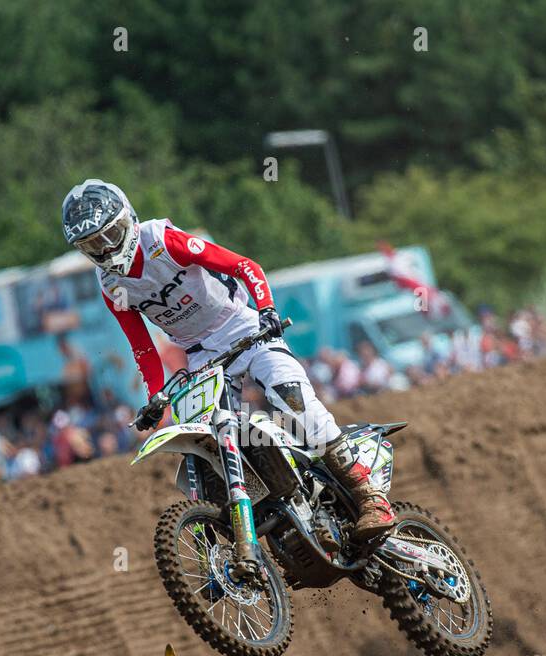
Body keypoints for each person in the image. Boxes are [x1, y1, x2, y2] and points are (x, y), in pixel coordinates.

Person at [61, 179, 394, 541]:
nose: (106, 250)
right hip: (200, 354)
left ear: (128, 220)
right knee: (208, 442)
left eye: (110, 236)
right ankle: (269, 523)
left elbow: (245, 266)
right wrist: (156, 395)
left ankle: (369, 496)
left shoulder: (163, 241)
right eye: (92, 245)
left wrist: (266, 309)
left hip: (243, 327)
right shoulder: (111, 285)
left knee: (293, 399)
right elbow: (141, 346)